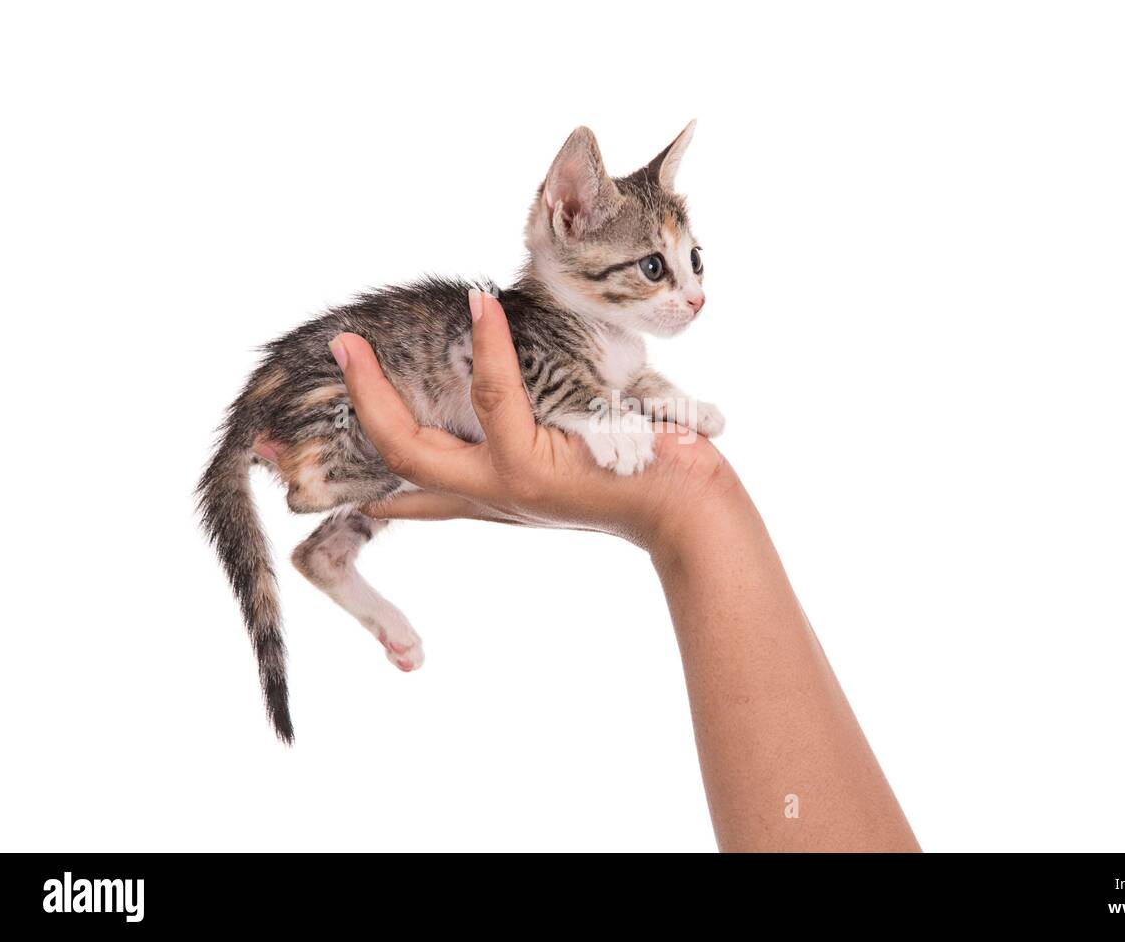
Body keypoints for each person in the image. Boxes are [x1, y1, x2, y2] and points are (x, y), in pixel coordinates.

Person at [327, 290, 920, 852]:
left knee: (392, 477)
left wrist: (682, 480)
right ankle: (322, 500)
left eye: (693, 263)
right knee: (378, 467)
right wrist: (661, 460)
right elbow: (546, 380)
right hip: (380, 400)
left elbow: (608, 391)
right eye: (658, 268)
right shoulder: (554, 323)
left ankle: (328, 536)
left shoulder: (617, 347)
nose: (695, 295)